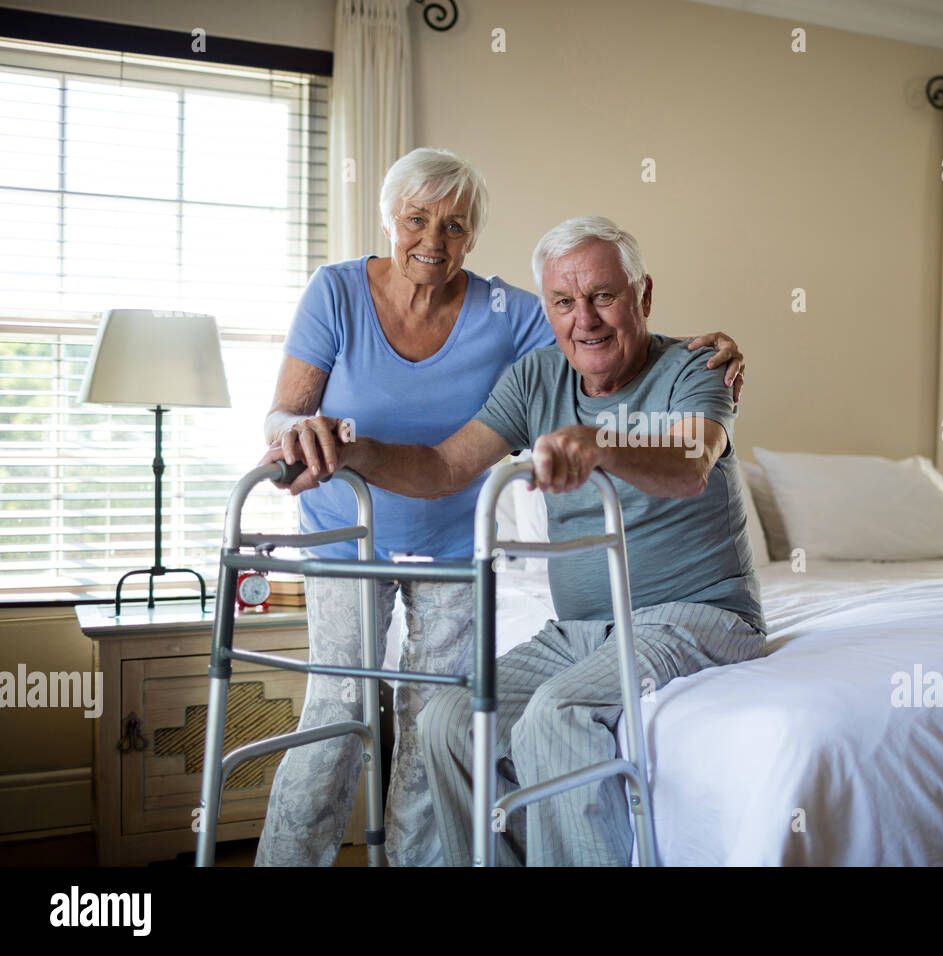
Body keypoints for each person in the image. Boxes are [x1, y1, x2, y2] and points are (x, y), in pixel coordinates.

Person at [256, 149, 747, 867]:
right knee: (401, 715)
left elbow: (688, 457)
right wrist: (346, 448)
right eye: (564, 303)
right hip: (427, 566)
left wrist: (601, 437)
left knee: (498, 717)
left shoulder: (666, 365)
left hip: (641, 600)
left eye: (605, 297)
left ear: (643, 295)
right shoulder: (519, 363)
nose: (584, 319)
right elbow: (439, 463)